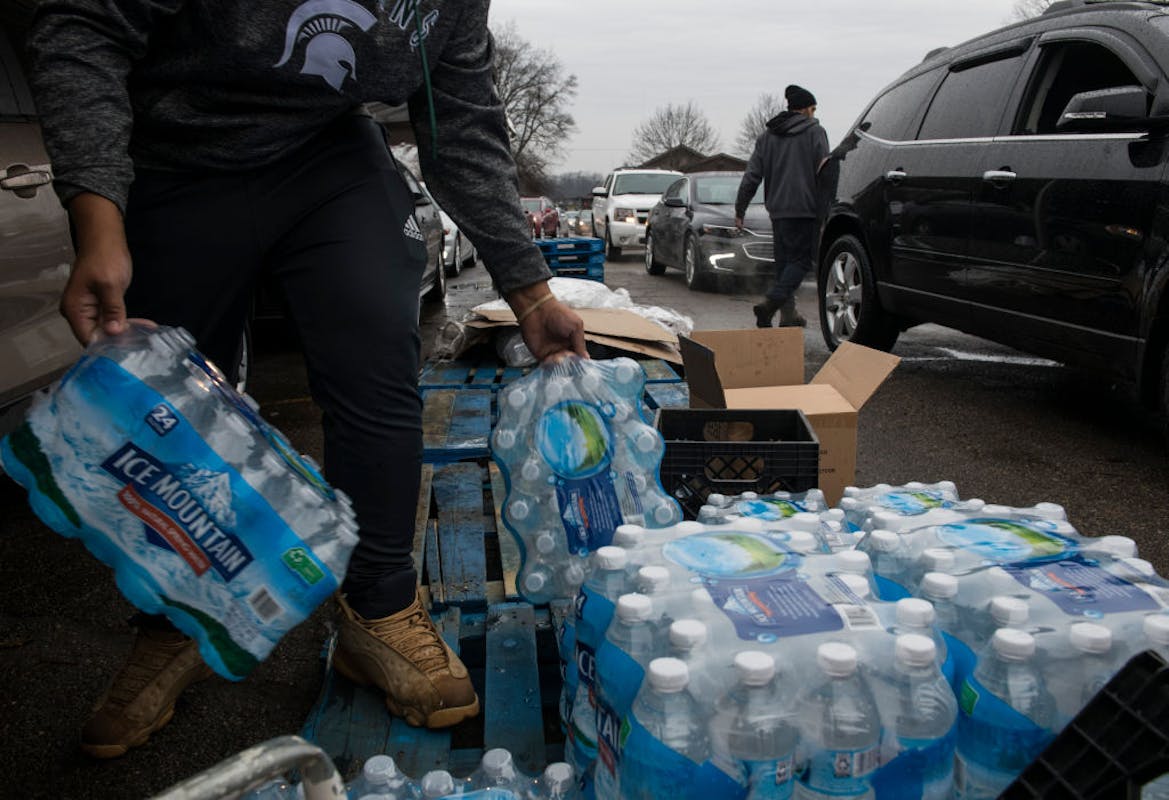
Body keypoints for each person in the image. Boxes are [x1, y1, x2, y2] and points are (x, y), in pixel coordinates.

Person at [26, 0, 586, 758]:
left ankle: (379, 610)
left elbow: (459, 123)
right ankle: (176, 619)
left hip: (328, 157)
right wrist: (97, 218)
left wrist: (531, 295)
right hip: (177, 152)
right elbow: (81, 21)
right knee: (163, 401)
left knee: (377, 355)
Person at [735, 84, 829, 328]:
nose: (814, 114)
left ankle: (788, 315)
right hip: (806, 210)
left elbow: (751, 176)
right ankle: (770, 303)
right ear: (805, 109)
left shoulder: (767, 137)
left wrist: (740, 209)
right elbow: (825, 174)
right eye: (813, 109)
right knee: (801, 262)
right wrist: (827, 210)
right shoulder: (815, 132)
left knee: (785, 265)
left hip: (777, 212)